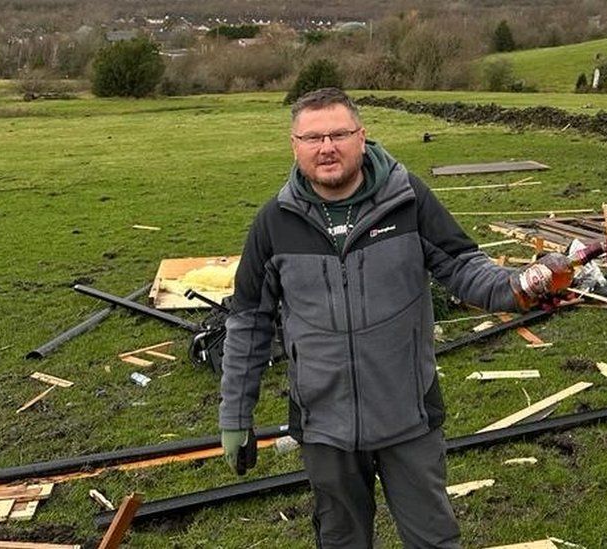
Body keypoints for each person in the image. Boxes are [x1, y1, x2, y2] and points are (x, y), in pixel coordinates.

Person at [219, 87, 564, 548]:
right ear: (294, 145)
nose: (327, 148)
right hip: (324, 424)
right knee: (341, 540)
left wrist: (516, 287)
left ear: (362, 137)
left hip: (408, 413)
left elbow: (462, 265)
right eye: (313, 137)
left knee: (433, 539)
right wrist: (235, 416)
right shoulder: (274, 223)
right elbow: (248, 322)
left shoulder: (407, 199)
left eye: (339, 134)